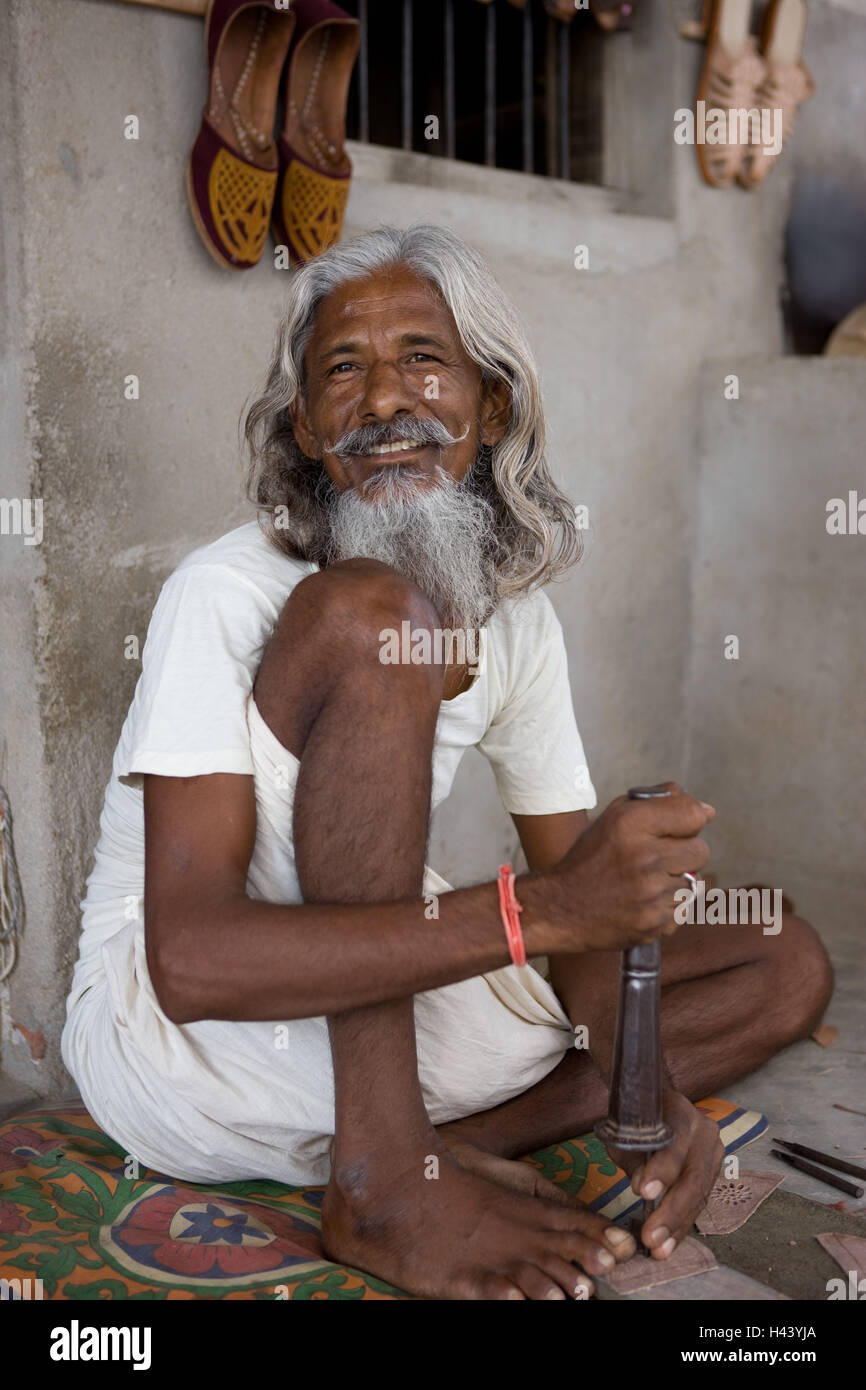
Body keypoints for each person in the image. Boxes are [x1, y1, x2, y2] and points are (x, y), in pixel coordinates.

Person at [61, 225, 833, 1301]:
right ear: (307, 428)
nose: (382, 400)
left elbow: (589, 929)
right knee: (377, 618)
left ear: (493, 406)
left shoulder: (517, 625)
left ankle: (449, 1139)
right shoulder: (224, 591)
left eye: (422, 357)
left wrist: (645, 1088)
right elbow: (191, 966)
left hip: (360, 1014)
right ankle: (380, 1176)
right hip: (183, 1045)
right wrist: (538, 914)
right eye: (342, 370)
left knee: (777, 953)